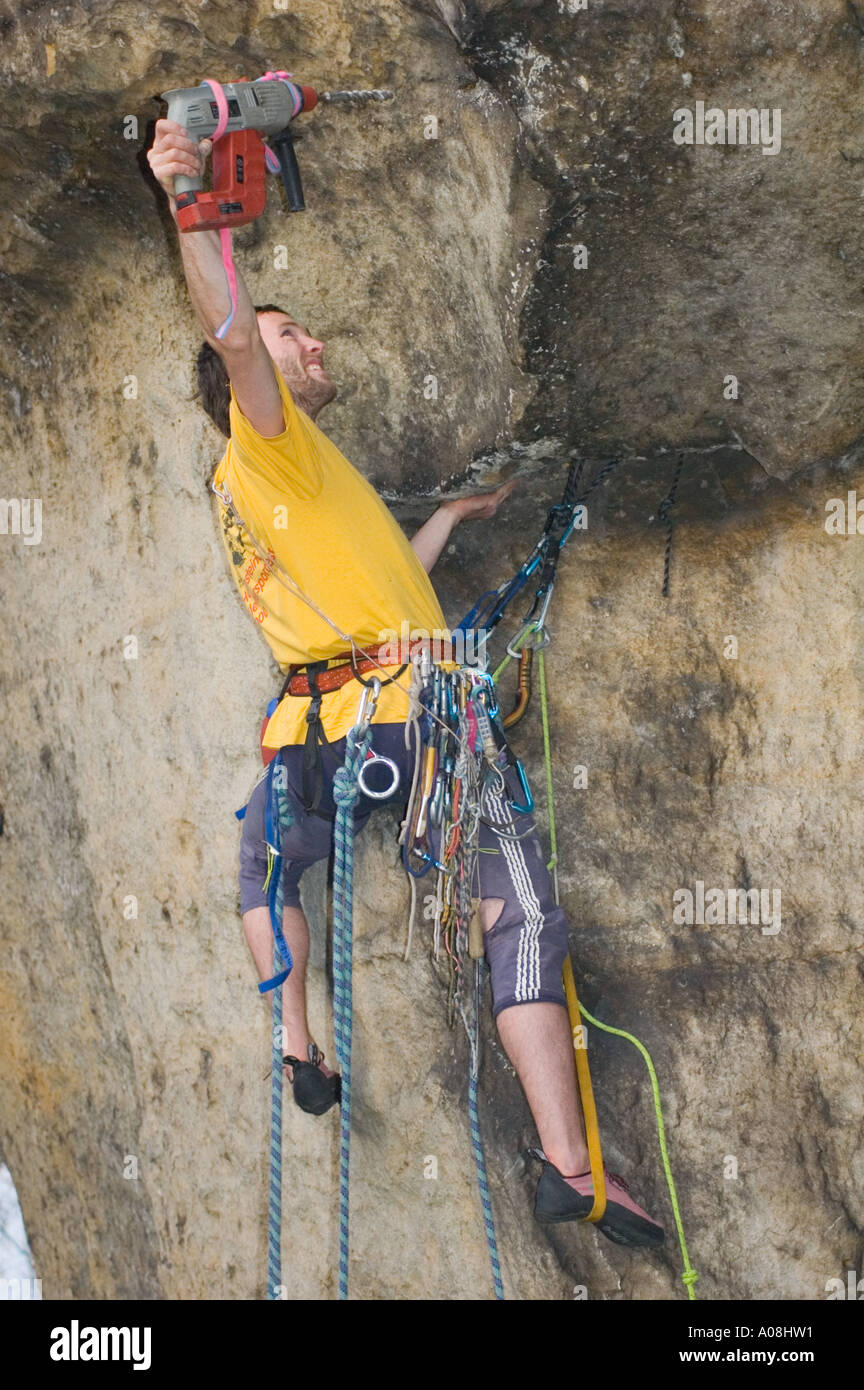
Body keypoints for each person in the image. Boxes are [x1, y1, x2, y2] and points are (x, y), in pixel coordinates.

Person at [147, 119, 664, 1248]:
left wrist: (441, 522)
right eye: (297, 336)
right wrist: (193, 206)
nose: (313, 344)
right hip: (410, 720)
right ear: (248, 375)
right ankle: (566, 1164)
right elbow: (230, 334)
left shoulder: (292, 486)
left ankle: (297, 1042)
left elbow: (380, 603)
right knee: (517, 907)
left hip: (320, 724)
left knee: (264, 858)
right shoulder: (264, 434)